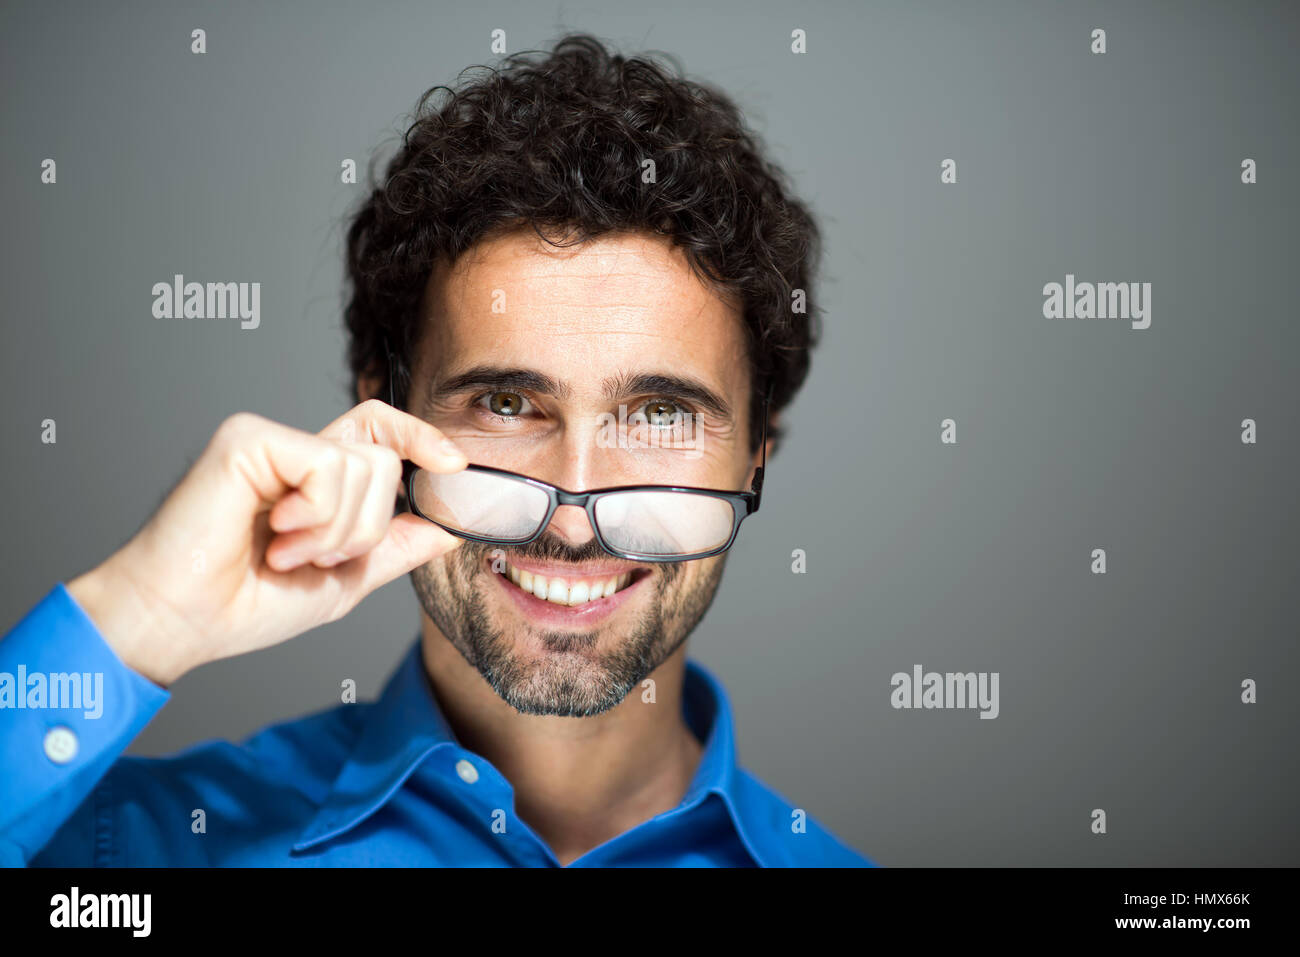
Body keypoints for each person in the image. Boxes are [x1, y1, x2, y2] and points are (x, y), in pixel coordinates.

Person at [0, 33, 871, 867]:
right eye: (505, 402)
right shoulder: (146, 851)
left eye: (658, 415)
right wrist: (140, 616)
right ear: (381, 411)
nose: (572, 518)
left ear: (754, 457)